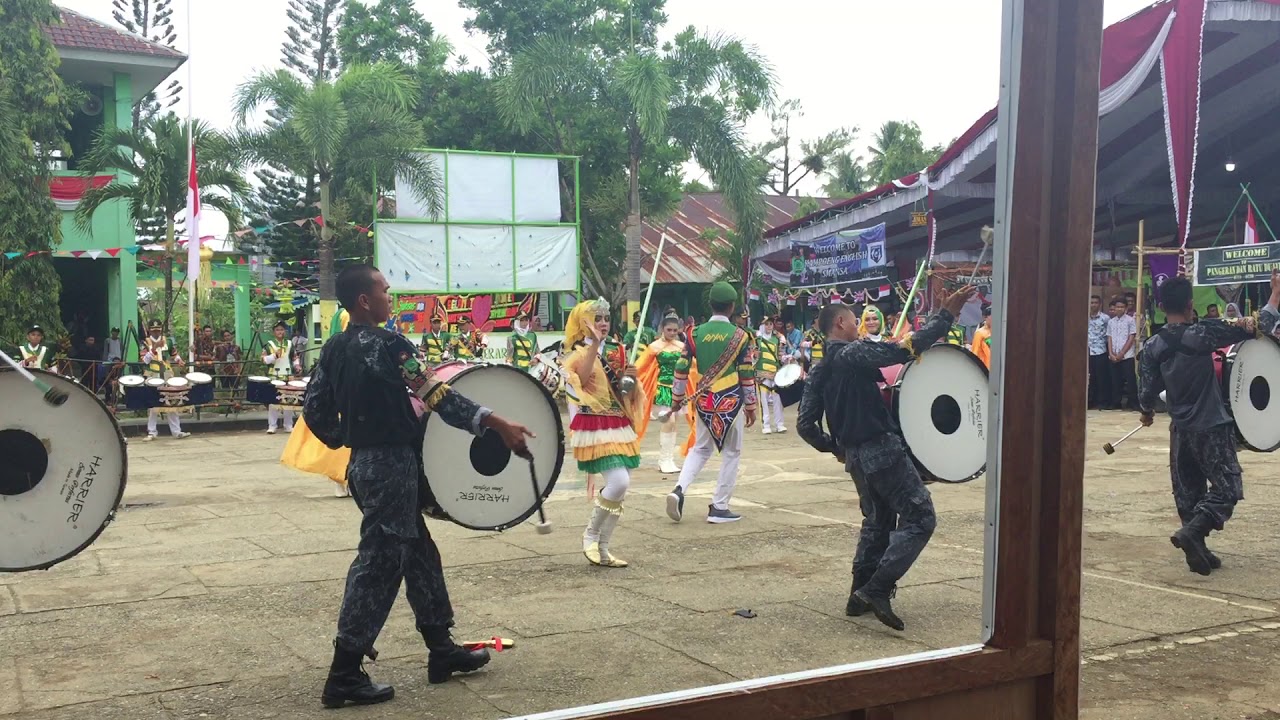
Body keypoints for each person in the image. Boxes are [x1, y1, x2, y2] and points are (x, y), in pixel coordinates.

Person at [305, 265, 534, 708]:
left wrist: (347, 438)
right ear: (365, 302)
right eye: (385, 291)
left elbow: (314, 409)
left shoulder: (333, 348)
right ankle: (344, 672)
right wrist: (495, 421)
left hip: (364, 466)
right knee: (378, 565)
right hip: (392, 465)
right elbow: (436, 394)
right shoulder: (392, 346)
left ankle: (441, 649)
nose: (391, 297)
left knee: (418, 553)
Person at [797, 286, 977, 632]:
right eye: (853, 322)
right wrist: (944, 317)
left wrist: (836, 448)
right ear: (840, 324)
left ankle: (857, 596)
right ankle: (877, 588)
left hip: (856, 458)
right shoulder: (852, 353)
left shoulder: (820, 368)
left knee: (878, 523)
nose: (858, 327)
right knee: (921, 517)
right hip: (881, 448)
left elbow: (805, 424)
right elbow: (903, 350)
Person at [1138, 272, 1279, 576]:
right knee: (1228, 489)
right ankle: (1192, 534)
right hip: (1211, 426)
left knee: (1188, 491)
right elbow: (1259, 325)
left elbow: (1146, 389)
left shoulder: (1152, 346)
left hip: (1180, 429)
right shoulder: (1202, 334)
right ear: (1190, 304)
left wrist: (1146, 412)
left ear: (1162, 306)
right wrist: (1276, 294)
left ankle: (1197, 547)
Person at [560, 297, 646, 567]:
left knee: (621, 489)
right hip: (594, 426)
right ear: (583, 322)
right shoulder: (575, 354)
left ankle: (605, 548)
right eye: (597, 318)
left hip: (618, 424)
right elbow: (582, 382)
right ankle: (590, 536)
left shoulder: (617, 351)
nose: (603, 323)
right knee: (619, 482)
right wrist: (595, 344)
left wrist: (630, 380)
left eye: (606, 318)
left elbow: (623, 393)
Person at [665, 282, 758, 524]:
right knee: (732, 452)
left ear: (711, 305)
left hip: (704, 402)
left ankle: (679, 489)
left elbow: (681, 368)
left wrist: (676, 401)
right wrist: (751, 406)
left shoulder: (694, 334)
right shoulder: (741, 336)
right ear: (732, 307)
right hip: (731, 402)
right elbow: (747, 373)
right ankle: (719, 506)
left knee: (700, 449)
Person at [637, 315, 687, 474]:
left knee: (674, 425)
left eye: (674, 330)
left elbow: (690, 366)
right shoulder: (654, 346)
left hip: (678, 390)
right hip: (662, 388)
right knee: (669, 421)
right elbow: (640, 366)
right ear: (662, 329)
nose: (672, 333)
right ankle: (663, 460)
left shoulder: (681, 346)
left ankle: (669, 459)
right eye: (668, 330)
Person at [142, 321, 191, 440]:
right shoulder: (145, 343)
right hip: (152, 373)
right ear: (149, 330)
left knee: (171, 401)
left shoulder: (167, 341)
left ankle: (176, 431)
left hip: (167, 373)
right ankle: (152, 432)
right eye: (153, 330)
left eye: (158, 329)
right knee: (153, 403)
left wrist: (179, 359)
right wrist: (154, 348)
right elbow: (144, 360)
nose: (156, 331)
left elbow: (174, 353)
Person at [263, 321, 302, 434]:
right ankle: (272, 425)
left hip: (288, 375)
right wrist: (274, 356)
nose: (280, 332)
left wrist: (297, 366)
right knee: (273, 400)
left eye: (282, 330)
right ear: (273, 332)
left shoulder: (290, 343)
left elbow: (294, 357)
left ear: (285, 331)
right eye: (277, 330)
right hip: (274, 374)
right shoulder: (269, 345)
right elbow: (264, 360)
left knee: (289, 400)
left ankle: (288, 425)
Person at [755, 316, 786, 434]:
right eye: (766, 324)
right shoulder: (757, 339)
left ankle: (779, 424)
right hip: (762, 373)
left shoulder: (777, 339)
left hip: (775, 372)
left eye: (770, 324)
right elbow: (753, 355)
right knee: (764, 400)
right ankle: (766, 424)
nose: (769, 326)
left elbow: (780, 355)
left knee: (777, 400)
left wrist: (786, 358)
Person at [1107, 297, 1138, 410]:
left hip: (1127, 355)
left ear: (1125, 308)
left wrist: (1122, 353)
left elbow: (1131, 337)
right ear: (1114, 308)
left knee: (1130, 380)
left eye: (1121, 307)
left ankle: (1133, 403)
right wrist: (1111, 352)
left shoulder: (1130, 320)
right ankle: (1116, 402)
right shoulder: (1111, 322)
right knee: (1115, 380)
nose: (1119, 309)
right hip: (1113, 355)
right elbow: (1109, 337)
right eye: (1117, 307)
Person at [1087, 295, 1111, 410]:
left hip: (1101, 350)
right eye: (1091, 302)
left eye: (1095, 302)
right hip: (1087, 351)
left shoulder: (1105, 318)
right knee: (1089, 377)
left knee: (1101, 377)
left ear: (1100, 304)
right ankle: (1090, 401)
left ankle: (1102, 402)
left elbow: (1109, 334)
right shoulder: (1084, 316)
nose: (1093, 305)